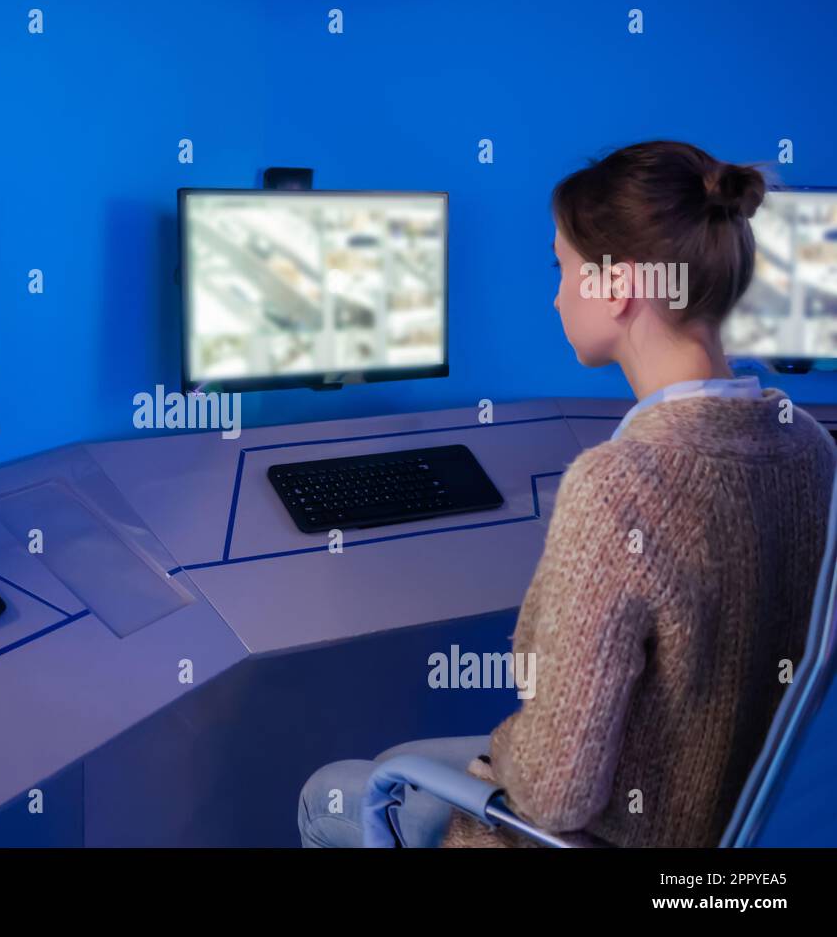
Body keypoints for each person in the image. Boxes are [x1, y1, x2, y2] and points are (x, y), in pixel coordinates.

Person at [298, 140, 837, 848]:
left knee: (333, 791)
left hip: (598, 835)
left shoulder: (617, 485)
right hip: (722, 832)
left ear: (616, 288)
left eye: (564, 267)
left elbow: (557, 794)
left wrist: (501, 754)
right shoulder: (809, 447)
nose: (556, 294)